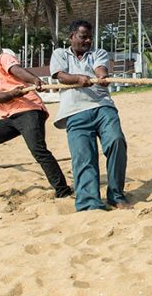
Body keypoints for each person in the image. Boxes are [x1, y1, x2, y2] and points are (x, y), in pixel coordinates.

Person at [0, 35, 73, 199]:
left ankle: (62, 190)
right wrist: (11, 94)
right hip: (9, 118)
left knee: (38, 150)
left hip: (29, 110)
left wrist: (34, 79)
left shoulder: (2, 59)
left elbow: (17, 70)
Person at [50, 20, 132, 211]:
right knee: (84, 156)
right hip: (75, 112)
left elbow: (100, 68)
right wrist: (78, 79)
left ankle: (116, 195)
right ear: (71, 37)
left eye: (90, 37)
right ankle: (89, 203)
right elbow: (61, 76)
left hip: (102, 107)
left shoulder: (98, 53)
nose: (87, 41)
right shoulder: (60, 54)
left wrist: (102, 77)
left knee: (117, 141)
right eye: (83, 37)